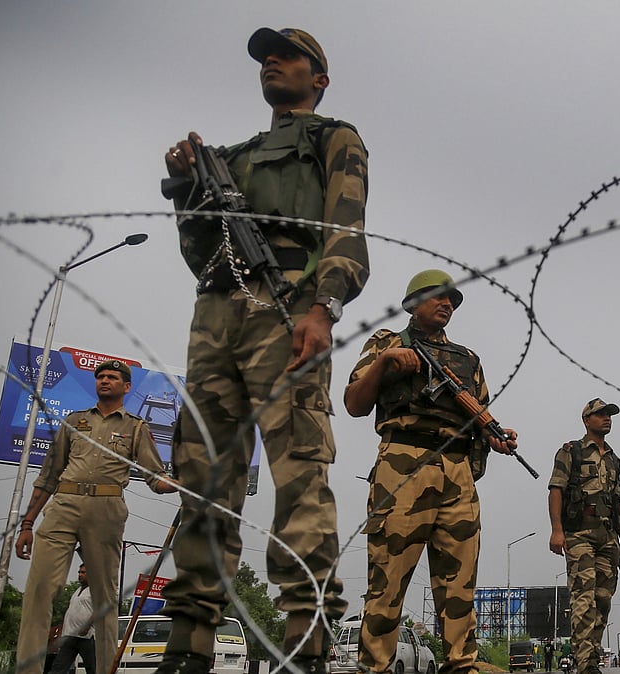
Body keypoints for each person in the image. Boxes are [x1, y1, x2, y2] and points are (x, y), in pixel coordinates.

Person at [158, 26, 370, 674]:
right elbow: (199, 251)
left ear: (319, 77)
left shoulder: (334, 138)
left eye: (288, 55)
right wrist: (187, 187)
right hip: (217, 312)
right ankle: (190, 642)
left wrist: (323, 309)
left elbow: (347, 231)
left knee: (299, 471)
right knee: (203, 476)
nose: (271, 62)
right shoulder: (235, 156)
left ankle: (304, 633)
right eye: (264, 57)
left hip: (287, 309)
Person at [344, 269, 518, 674]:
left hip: (457, 471)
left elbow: (481, 415)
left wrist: (496, 434)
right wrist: (385, 363)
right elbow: (354, 403)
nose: (447, 304)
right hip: (404, 462)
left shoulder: (468, 359)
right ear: (413, 303)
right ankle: (377, 666)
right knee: (388, 578)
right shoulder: (386, 344)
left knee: (459, 583)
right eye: (439, 297)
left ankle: (462, 665)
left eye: (453, 301)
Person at [13, 360, 177, 674]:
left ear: (126, 387)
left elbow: (156, 479)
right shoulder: (73, 422)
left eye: (112, 377)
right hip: (64, 504)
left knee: (104, 600)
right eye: (100, 376)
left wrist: (186, 483)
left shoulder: (136, 427)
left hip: (106, 509)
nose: (104, 380)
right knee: (38, 591)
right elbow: (48, 476)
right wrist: (28, 523)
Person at [548, 399, 620, 674]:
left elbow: (616, 502)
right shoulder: (571, 451)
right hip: (578, 533)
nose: (607, 418)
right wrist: (557, 530)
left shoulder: (614, 459)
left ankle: (591, 656)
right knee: (584, 599)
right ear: (586, 420)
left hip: (607, 537)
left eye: (609, 415)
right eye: (601, 414)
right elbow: (556, 490)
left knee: (603, 600)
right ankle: (586, 664)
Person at [48, 564, 96, 674]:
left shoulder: (94, 590)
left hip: (86, 637)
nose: (80, 575)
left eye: (83, 573)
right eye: (79, 572)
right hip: (70, 635)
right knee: (58, 667)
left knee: (92, 668)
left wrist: (87, 626)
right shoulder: (77, 591)